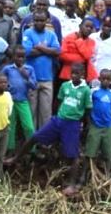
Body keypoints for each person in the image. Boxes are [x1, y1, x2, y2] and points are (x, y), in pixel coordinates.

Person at [10, 63, 92, 191]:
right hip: (58, 120)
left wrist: (83, 126)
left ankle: (71, 184)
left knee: (73, 154)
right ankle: (15, 158)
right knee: (35, 137)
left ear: (82, 75)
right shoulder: (65, 86)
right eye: (73, 73)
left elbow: (87, 110)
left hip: (72, 124)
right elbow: (58, 102)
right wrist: (56, 117)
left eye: (77, 73)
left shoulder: (86, 90)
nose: (74, 76)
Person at [22, 11, 61, 129]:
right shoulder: (27, 32)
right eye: (36, 20)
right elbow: (27, 52)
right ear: (33, 21)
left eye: (42, 20)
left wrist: (39, 47)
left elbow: (57, 51)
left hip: (47, 78)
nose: (39, 23)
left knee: (46, 112)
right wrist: (47, 49)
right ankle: (31, 141)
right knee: (31, 110)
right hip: (31, 78)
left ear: (47, 21)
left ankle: (44, 141)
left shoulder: (51, 34)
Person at [1, 46, 37, 152]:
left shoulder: (29, 69)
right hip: (10, 101)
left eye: (22, 57)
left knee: (29, 126)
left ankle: (31, 149)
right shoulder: (7, 69)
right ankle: (10, 149)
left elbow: (34, 86)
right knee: (11, 127)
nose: (20, 59)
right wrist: (7, 88)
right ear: (13, 57)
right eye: (18, 57)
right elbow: (1, 82)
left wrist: (26, 77)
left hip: (23, 101)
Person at [84, 68, 111, 176]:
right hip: (95, 126)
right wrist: (89, 123)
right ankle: (85, 175)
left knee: (108, 153)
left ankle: (107, 176)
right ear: (99, 79)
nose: (106, 81)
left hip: (108, 126)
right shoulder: (93, 92)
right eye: (103, 79)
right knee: (90, 152)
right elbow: (89, 108)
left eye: (108, 79)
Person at [60, 18, 98, 83]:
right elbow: (62, 55)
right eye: (87, 26)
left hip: (84, 75)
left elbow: (87, 55)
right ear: (80, 26)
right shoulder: (68, 38)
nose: (89, 29)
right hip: (68, 74)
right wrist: (82, 59)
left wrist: (79, 41)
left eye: (91, 28)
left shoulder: (92, 42)